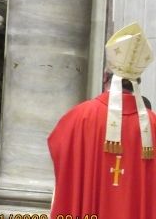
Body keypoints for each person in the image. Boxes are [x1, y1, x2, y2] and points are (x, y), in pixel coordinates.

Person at [48, 23, 156, 218]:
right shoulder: (153, 125)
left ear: (106, 77)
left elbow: (58, 148)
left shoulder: (81, 117)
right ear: (137, 82)